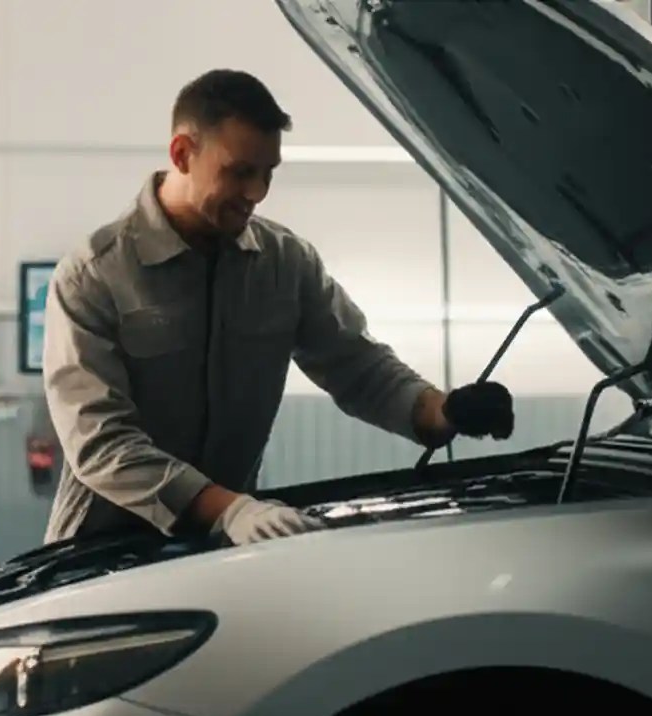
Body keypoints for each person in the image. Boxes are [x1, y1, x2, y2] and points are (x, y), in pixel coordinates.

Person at [41, 69, 514, 547]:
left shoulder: (286, 265)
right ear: (182, 154)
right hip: (98, 557)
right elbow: (102, 444)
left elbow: (358, 366)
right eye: (240, 171)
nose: (257, 193)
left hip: (228, 546)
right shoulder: (94, 275)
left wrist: (442, 410)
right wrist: (230, 509)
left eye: (268, 172)